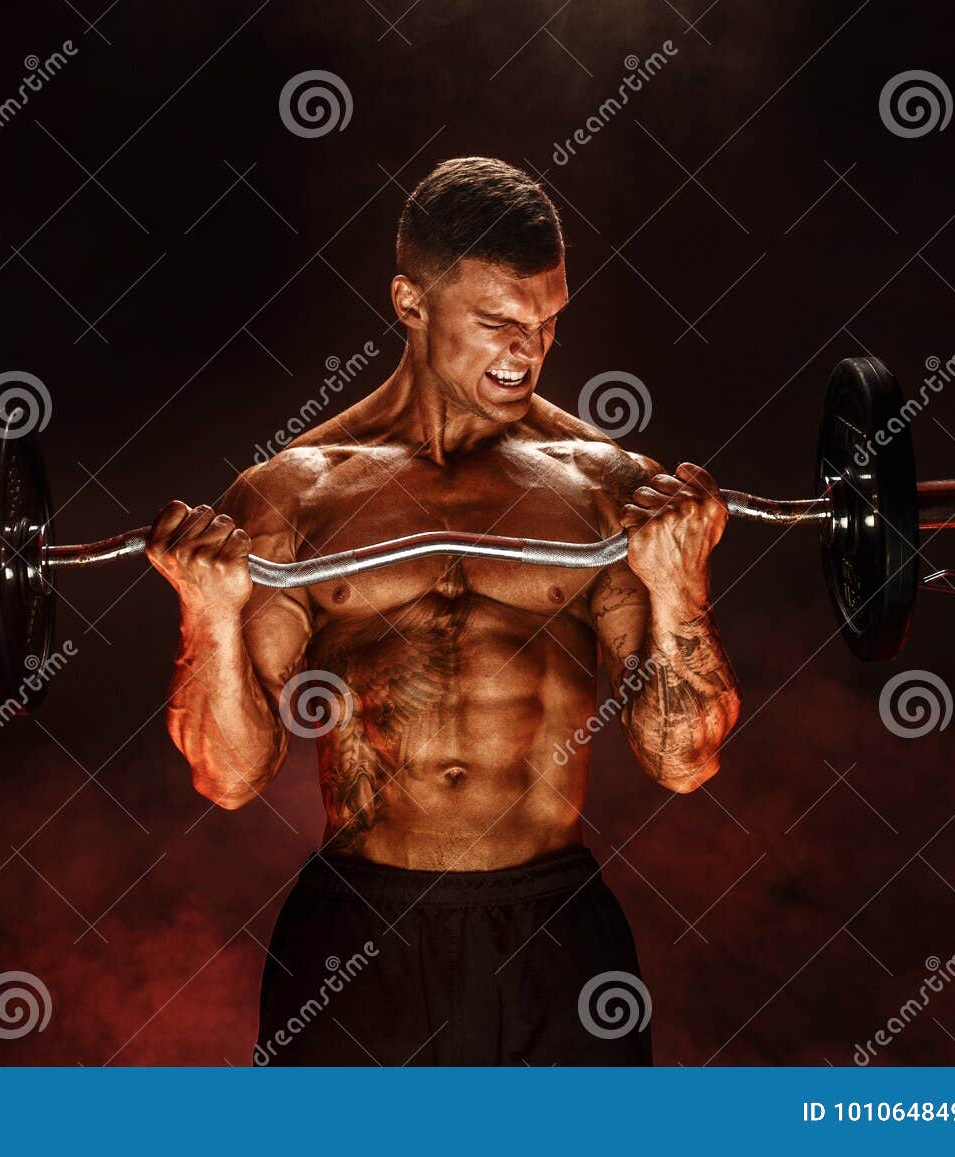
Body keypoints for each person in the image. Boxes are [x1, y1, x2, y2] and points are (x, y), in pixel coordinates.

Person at [146, 157, 740, 1065]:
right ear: (410, 302)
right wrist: (210, 615)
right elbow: (228, 778)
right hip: (359, 934)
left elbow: (683, 760)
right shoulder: (295, 495)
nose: (528, 350)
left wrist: (680, 585)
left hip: (552, 931)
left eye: (548, 320)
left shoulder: (605, 488)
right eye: (498, 321)